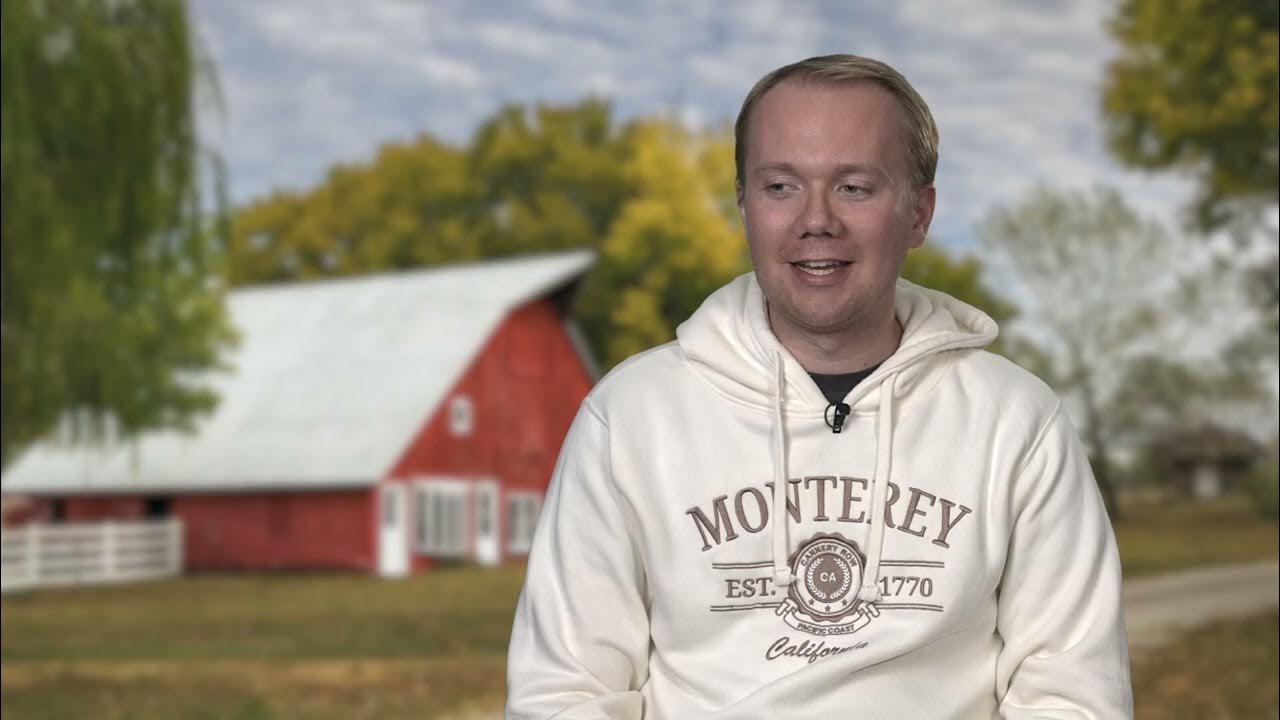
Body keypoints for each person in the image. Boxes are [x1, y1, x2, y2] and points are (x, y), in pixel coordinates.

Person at [506, 54, 1132, 719]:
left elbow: (1073, 695)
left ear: (918, 214)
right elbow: (566, 693)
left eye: (854, 187)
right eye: (780, 186)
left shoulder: (1017, 422)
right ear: (744, 204)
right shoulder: (630, 417)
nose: (816, 220)